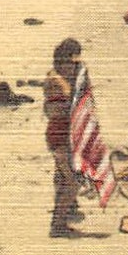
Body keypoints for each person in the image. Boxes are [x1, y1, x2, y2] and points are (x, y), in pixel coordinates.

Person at [44, 38, 86, 238]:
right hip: (59, 135)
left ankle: (65, 210)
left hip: (60, 133)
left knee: (62, 176)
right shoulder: (57, 80)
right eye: (73, 61)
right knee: (72, 181)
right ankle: (57, 225)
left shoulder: (56, 76)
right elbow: (70, 102)